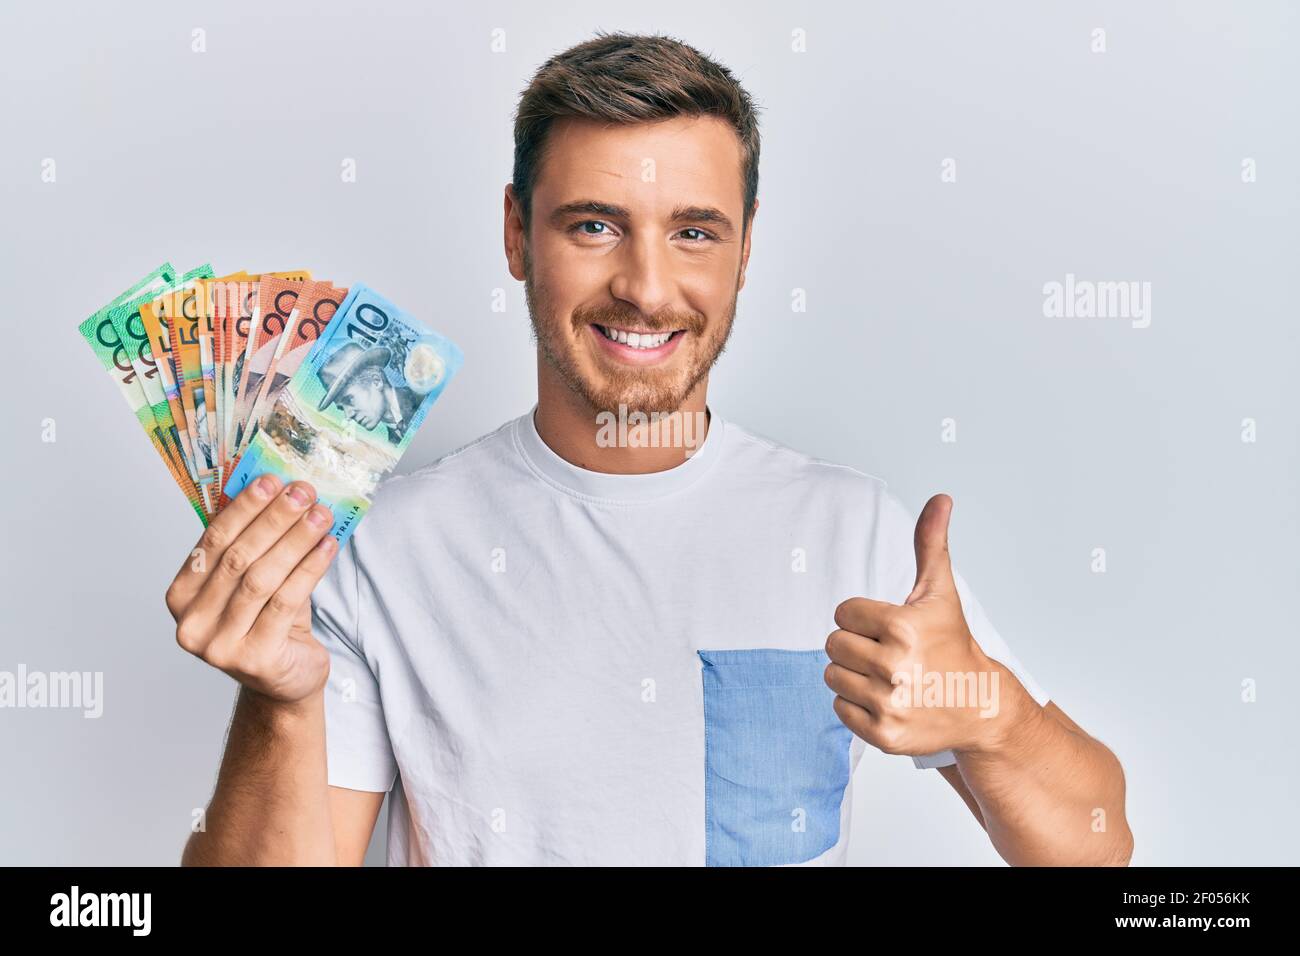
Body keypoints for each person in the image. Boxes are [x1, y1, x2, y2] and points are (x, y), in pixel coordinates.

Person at [165, 33, 1132, 866]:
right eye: (594, 225)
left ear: (748, 248)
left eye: (696, 232)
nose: (647, 286)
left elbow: (1097, 846)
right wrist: (280, 702)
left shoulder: (858, 536)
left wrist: (990, 713)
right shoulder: (377, 551)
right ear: (515, 233)